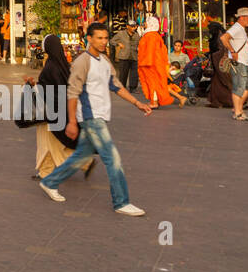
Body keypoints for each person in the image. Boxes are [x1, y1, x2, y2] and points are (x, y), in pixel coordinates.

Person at [38, 22, 152, 216]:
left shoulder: (104, 62)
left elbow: (116, 86)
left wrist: (137, 103)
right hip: (91, 118)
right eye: (99, 38)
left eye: (106, 38)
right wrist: (72, 121)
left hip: (101, 115)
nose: (103, 41)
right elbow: (72, 93)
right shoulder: (82, 62)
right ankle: (121, 202)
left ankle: (49, 182)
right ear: (89, 39)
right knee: (112, 158)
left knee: (81, 156)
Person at [24, 35, 95, 179]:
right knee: (51, 143)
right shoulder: (61, 64)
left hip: (50, 112)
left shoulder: (51, 66)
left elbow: (48, 90)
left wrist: (32, 86)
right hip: (59, 111)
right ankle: (46, 171)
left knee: (50, 144)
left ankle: (84, 162)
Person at [136, 18, 185, 108]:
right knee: (157, 83)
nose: (144, 24)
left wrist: (147, 62)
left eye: (146, 22)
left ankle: (154, 102)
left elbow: (150, 51)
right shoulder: (155, 35)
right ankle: (157, 101)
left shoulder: (150, 36)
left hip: (151, 64)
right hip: (156, 63)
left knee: (153, 83)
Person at [225, 8, 248, 121]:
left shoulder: (241, 29)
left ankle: (237, 108)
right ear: (242, 18)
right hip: (238, 63)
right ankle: (238, 112)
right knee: (238, 88)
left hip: (244, 62)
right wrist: (232, 51)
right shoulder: (236, 28)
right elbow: (224, 38)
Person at [204, 22, 234, 109]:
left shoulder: (220, 37)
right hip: (218, 63)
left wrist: (212, 55)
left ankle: (237, 100)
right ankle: (217, 102)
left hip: (220, 63)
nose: (209, 31)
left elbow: (221, 50)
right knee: (216, 84)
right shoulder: (217, 35)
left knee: (225, 82)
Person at [110, 18, 140, 92]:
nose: (134, 28)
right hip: (124, 56)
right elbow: (111, 41)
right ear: (127, 26)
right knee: (123, 73)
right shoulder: (121, 33)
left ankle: (133, 88)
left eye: (135, 26)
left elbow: (140, 44)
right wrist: (118, 44)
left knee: (134, 73)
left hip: (134, 56)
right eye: (132, 26)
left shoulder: (137, 35)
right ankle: (122, 87)